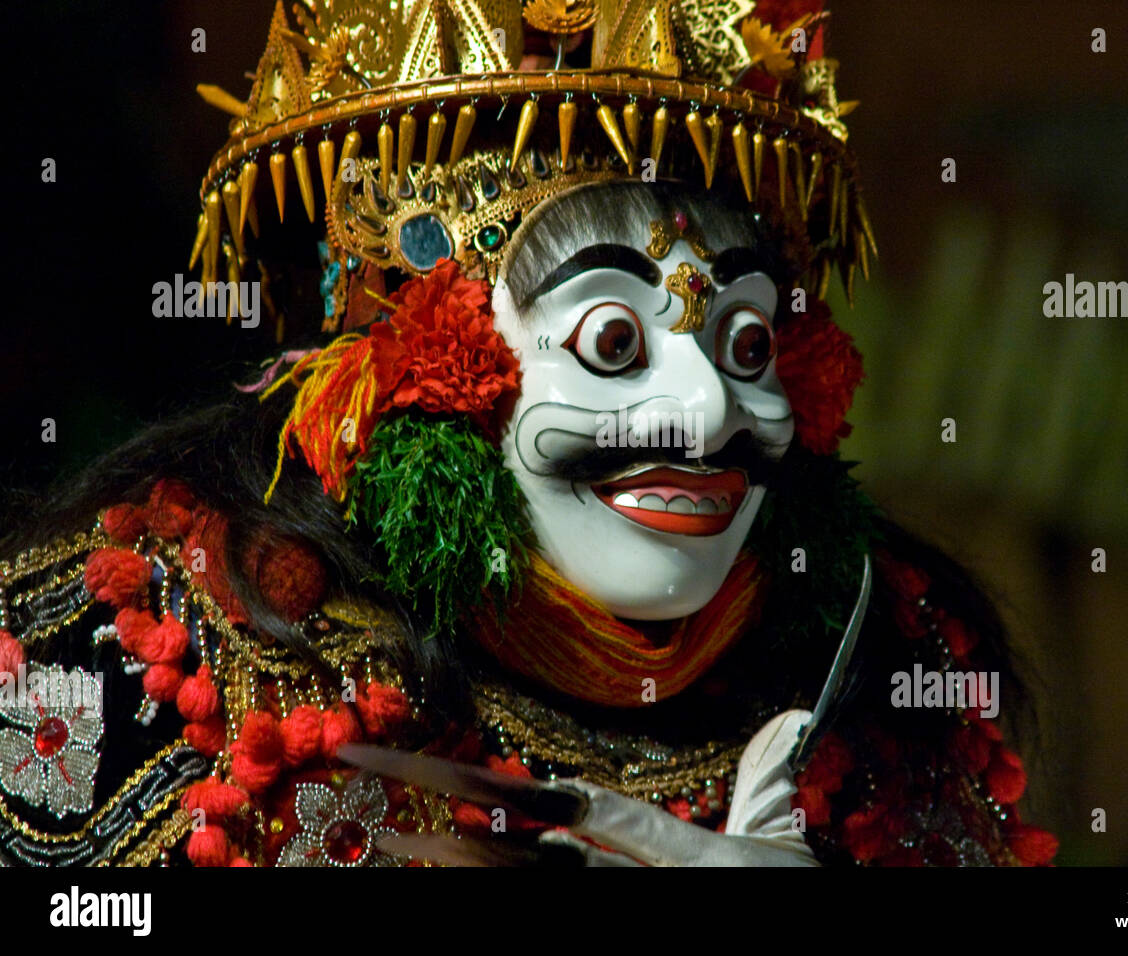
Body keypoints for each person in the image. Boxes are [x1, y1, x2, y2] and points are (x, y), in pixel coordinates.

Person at [0, 0, 1056, 867]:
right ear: (403, 355)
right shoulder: (133, 655)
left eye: (745, 343)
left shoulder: (879, 703)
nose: (706, 415)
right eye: (610, 340)